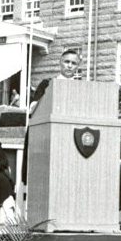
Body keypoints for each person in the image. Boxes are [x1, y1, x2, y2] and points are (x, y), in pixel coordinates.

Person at [22, 48, 82, 184]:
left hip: (72, 135)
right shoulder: (47, 84)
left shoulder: (81, 87)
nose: (69, 66)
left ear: (78, 66)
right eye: (67, 62)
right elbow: (33, 108)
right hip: (49, 134)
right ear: (60, 63)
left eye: (73, 63)